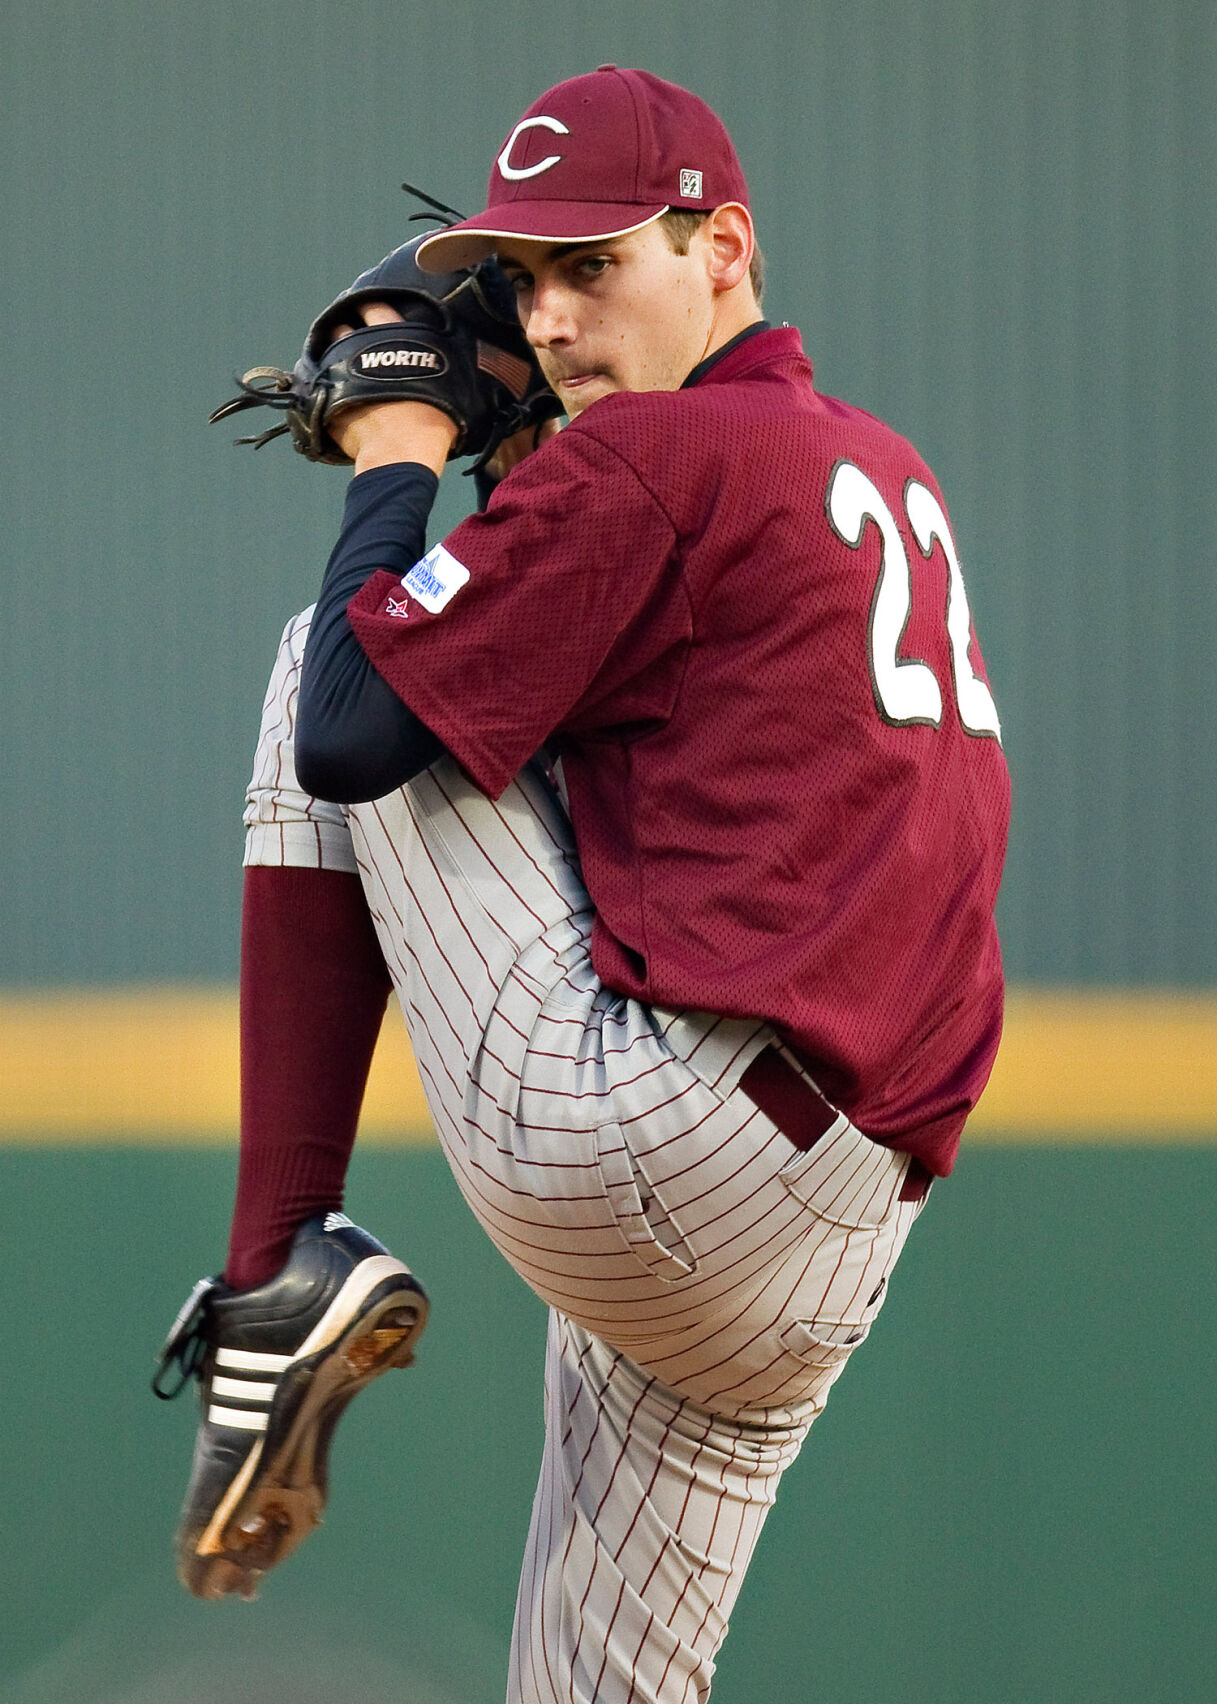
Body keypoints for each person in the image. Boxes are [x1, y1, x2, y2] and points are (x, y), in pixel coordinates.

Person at [158, 65, 1010, 1704]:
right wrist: (521, 465)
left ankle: (274, 1266)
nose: (549, 318)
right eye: (528, 276)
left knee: (331, 651)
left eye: (595, 265)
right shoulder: (874, 466)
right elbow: (575, 679)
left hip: (658, 1157)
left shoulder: (656, 459)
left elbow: (351, 731)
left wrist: (399, 449)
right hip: (832, 1250)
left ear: (722, 248)